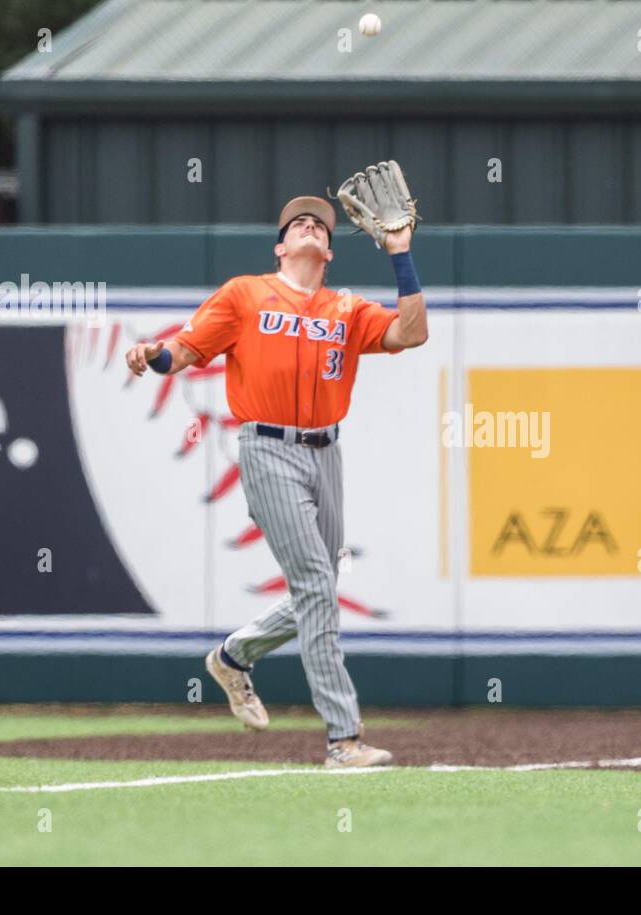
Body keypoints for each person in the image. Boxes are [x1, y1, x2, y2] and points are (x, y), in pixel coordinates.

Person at [125, 195, 427, 767]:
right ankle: (344, 740)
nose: (309, 225)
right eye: (298, 223)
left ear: (330, 251)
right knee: (317, 585)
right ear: (281, 246)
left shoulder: (348, 307)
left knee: (318, 590)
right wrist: (150, 355)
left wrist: (401, 254)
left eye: (319, 224)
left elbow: (411, 334)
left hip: (326, 451)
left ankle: (235, 655)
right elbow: (185, 351)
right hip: (266, 448)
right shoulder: (246, 293)